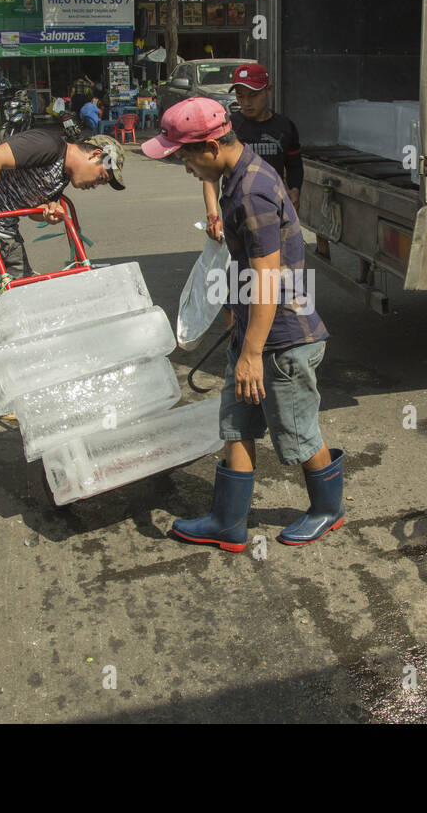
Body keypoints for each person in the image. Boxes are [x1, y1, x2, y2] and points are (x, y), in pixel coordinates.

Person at [142, 97, 342, 550]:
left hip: (282, 340)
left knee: (297, 433)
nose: (186, 167)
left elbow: (268, 280)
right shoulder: (236, 174)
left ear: (212, 147)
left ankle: (329, 509)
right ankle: (228, 521)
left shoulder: (250, 192)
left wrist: (252, 353)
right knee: (236, 424)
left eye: (185, 156)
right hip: (254, 331)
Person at [0, 128, 127, 413]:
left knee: (19, 305)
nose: (97, 185)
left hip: (6, 231)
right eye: (102, 177)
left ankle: (12, 376)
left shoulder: (61, 179)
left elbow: (23, 199)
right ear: (94, 155)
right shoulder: (48, 144)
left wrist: (44, 211)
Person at [201, 63, 304, 242]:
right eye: (240, 96)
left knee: (273, 268)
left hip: (274, 211)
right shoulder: (228, 128)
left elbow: (295, 165)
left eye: (253, 95)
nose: (246, 103)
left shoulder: (285, 127)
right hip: (237, 214)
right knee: (241, 268)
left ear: (268, 90)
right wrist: (213, 215)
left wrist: (295, 190)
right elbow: (211, 176)